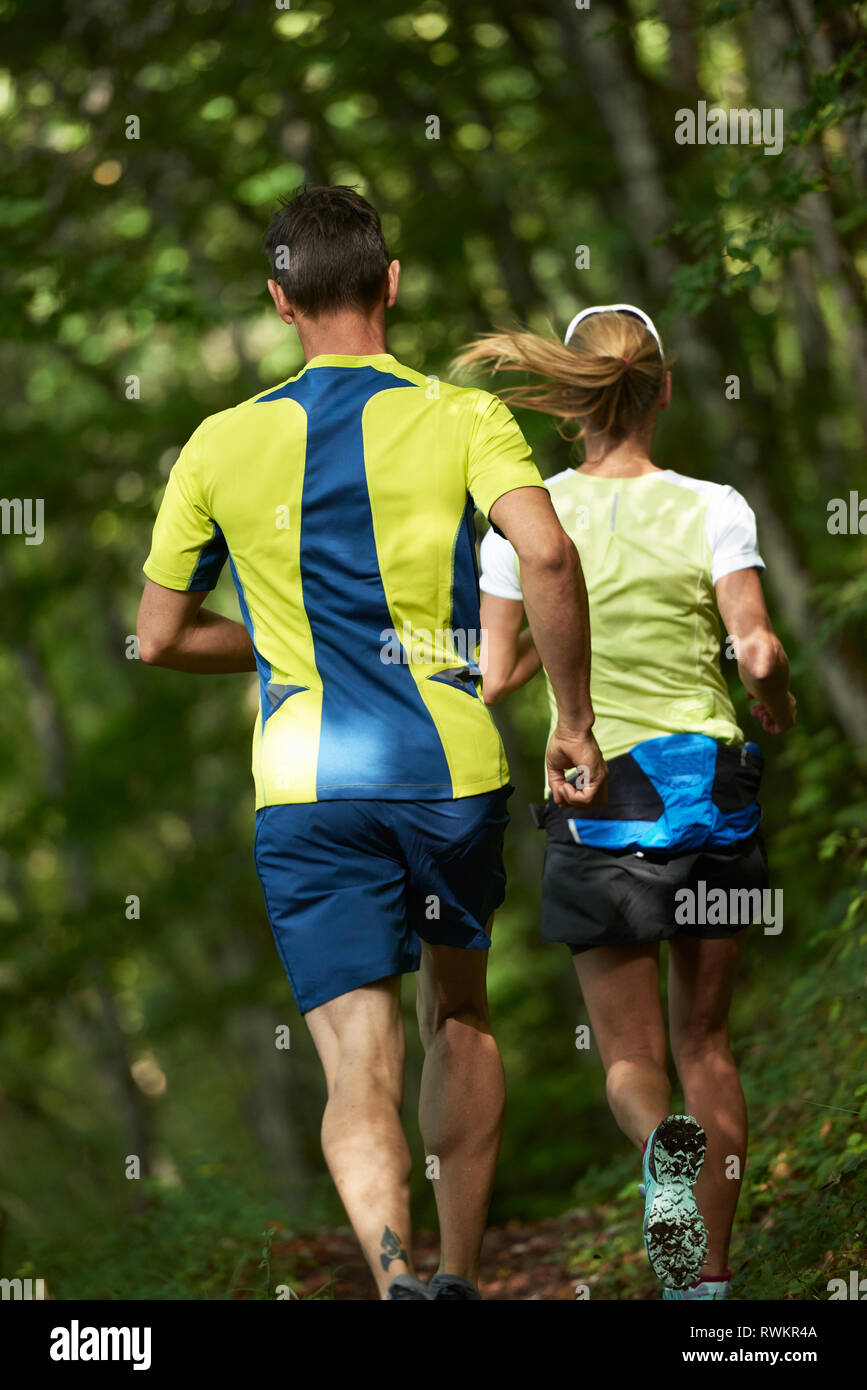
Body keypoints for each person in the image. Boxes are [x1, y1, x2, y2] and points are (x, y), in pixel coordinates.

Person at [136, 186, 607, 1301]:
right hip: (448, 774)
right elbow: (546, 555)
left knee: (356, 1059)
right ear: (389, 284)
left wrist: (278, 652)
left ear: (279, 299)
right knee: (459, 1013)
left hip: (306, 784)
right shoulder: (464, 418)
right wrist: (572, 720)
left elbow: (155, 638)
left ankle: (392, 1274)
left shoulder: (217, 442)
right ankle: (457, 1269)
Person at [459, 304, 796, 1300]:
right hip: (711, 794)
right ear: (668, 390)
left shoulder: (527, 520)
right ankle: (709, 1287)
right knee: (710, 1046)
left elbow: (494, 673)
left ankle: (660, 1147)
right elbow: (756, 642)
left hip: (599, 794)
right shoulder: (714, 506)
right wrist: (767, 685)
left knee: (629, 1060)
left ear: (572, 404)